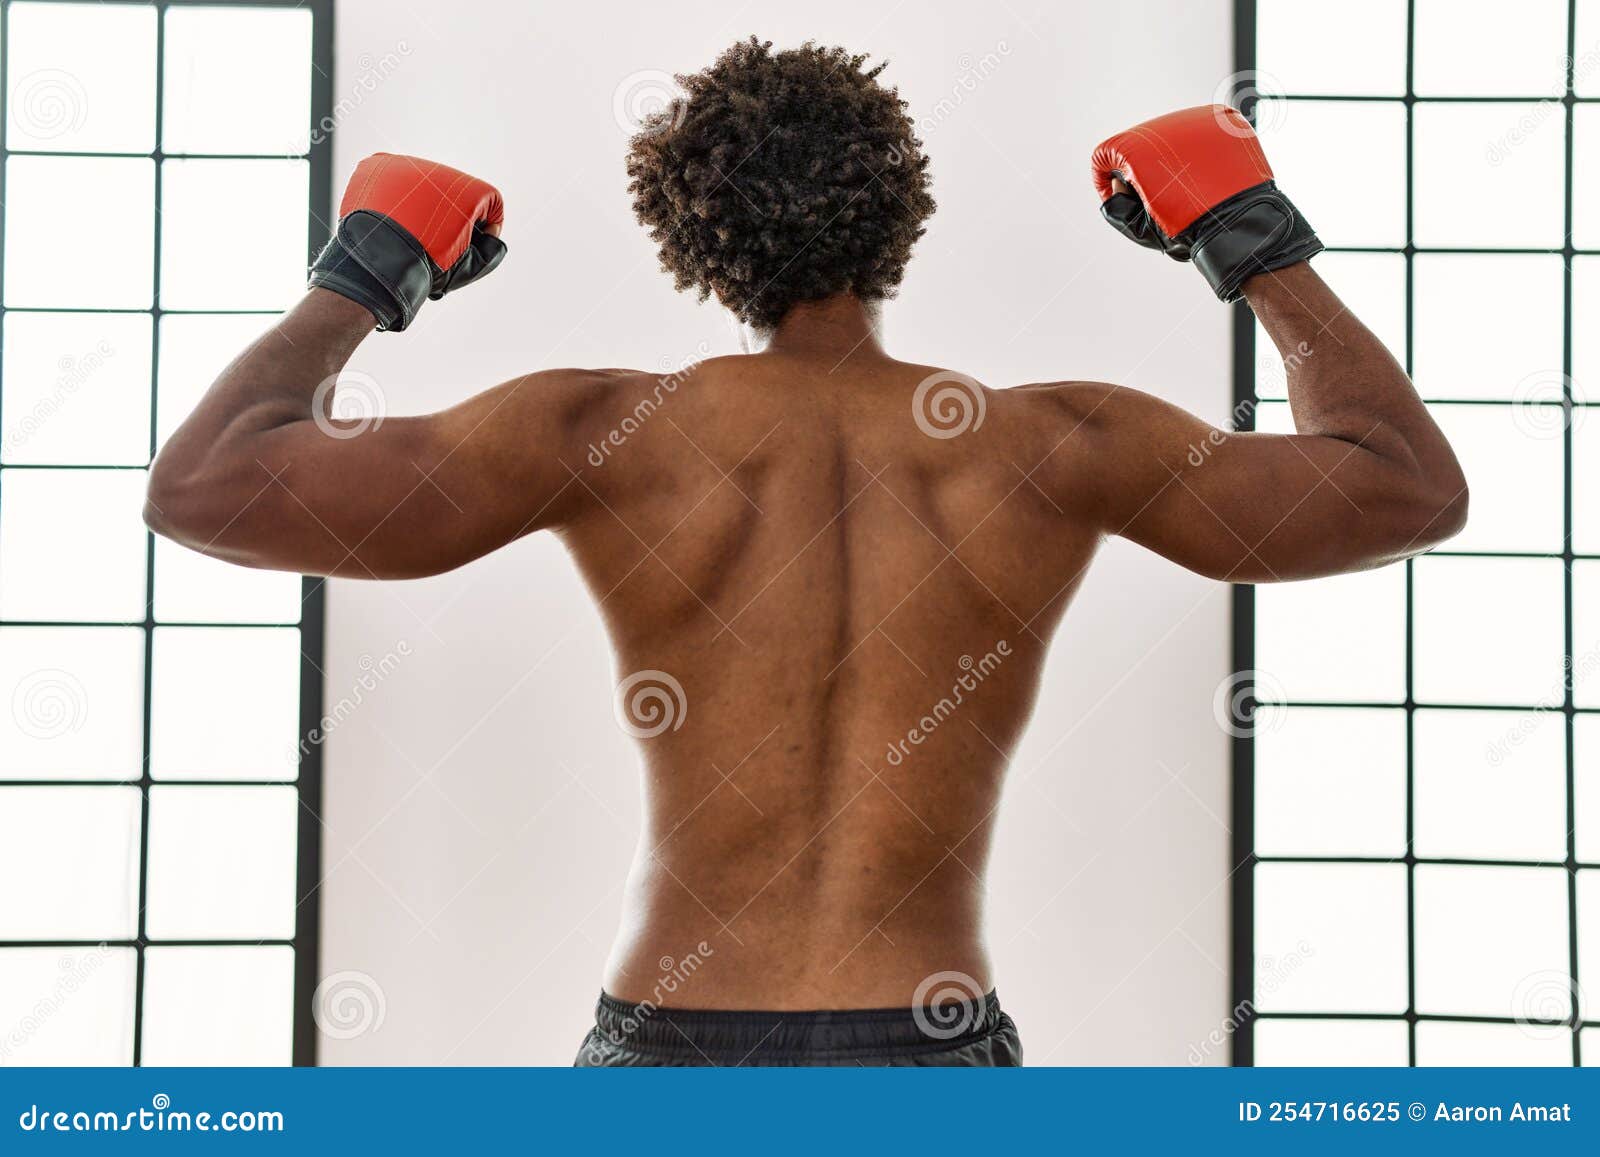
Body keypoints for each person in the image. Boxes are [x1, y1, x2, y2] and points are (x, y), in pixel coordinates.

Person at [145, 39, 1467, 1066]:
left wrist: (366, 273)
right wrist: (1244, 235)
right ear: (899, 221)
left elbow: (209, 483)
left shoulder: (602, 434)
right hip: (928, 1044)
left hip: (668, 1041)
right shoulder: (1058, 444)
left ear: (696, 245)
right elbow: (1400, 484)